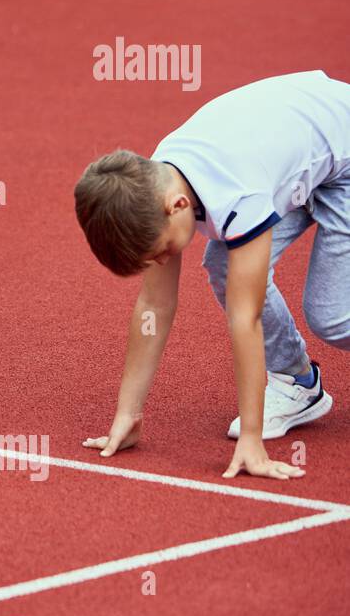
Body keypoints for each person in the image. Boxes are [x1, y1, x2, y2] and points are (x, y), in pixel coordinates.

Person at [74, 69, 349, 480]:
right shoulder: (156, 183)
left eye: (163, 251)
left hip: (342, 161)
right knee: (224, 263)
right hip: (304, 158)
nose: (164, 262)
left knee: (330, 316)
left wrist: (251, 440)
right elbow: (154, 304)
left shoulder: (236, 192)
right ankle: (298, 383)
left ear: (179, 205)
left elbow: (246, 317)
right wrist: (128, 413)